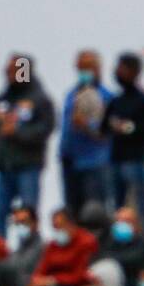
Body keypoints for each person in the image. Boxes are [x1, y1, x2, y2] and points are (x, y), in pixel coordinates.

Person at [0, 53, 56, 234]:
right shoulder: (3, 98)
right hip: (5, 166)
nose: (8, 74)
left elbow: (45, 129)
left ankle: (28, 250)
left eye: (14, 70)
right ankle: (0, 254)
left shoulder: (38, 99)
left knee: (27, 213)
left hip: (28, 165)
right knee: (0, 213)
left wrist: (17, 133)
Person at [102, 52, 144, 243]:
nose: (118, 73)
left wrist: (129, 127)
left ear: (134, 72)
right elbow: (103, 127)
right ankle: (120, 246)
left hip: (136, 161)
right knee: (117, 210)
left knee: (140, 209)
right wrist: (111, 126)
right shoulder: (115, 101)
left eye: (123, 69)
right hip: (115, 160)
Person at [59, 49, 113, 217]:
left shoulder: (106, 97)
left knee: (94, 212)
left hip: (95, 163)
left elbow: (109, 131)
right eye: (81, 67)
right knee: (72, 212)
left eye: (88, 67)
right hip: (70, 163)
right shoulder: (71, 95)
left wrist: (87, 124)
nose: (84, 72)